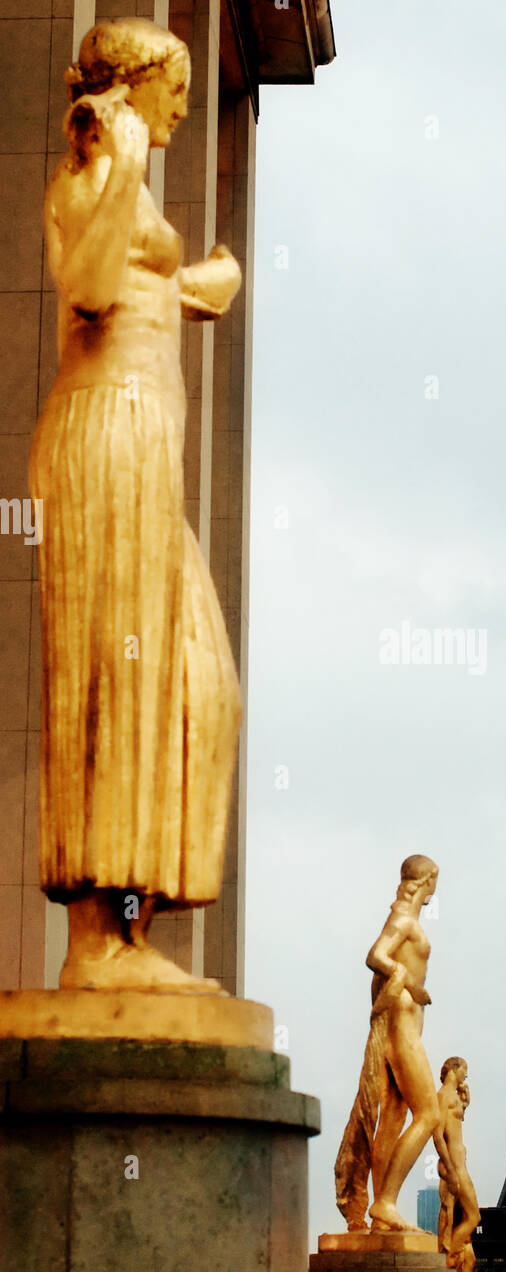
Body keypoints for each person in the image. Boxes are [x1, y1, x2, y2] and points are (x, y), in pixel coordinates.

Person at [28, 18, 242, 991]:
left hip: (146, 443)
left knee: (199, 687)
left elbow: (144, 286)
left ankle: (132, 926)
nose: (187, 105)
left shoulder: (129, 181)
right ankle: (97, 943)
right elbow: (86, 285)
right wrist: (113, 163)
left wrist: (204, 283)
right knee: (116, 678)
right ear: (139, 83)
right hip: (105, 436)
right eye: (177, 84)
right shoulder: (91, 169)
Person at [335, 854, 458, 1231]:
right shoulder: (404, 919)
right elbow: (376, 956)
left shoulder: (409, 918)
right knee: (429, 1114)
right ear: (429, 880)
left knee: (390, 1119)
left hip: (401, 1024)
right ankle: (385, 1202)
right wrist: (410, 983)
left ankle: (381, 1211)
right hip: (401, 1026)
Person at [437, 1057, 480, 1272]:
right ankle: (449, 1258)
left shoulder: (452, 1097)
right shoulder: (443, 1096)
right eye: (465, 1070)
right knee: (473, 1216)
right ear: (454, 1069)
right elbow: (438, 1135)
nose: (466, 1075)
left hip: (459, 1162)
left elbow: (454, 1123)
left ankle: (451, 1255)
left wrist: (465, 1103)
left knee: (467, 1216)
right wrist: (449, 1168)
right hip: (455, 1165)